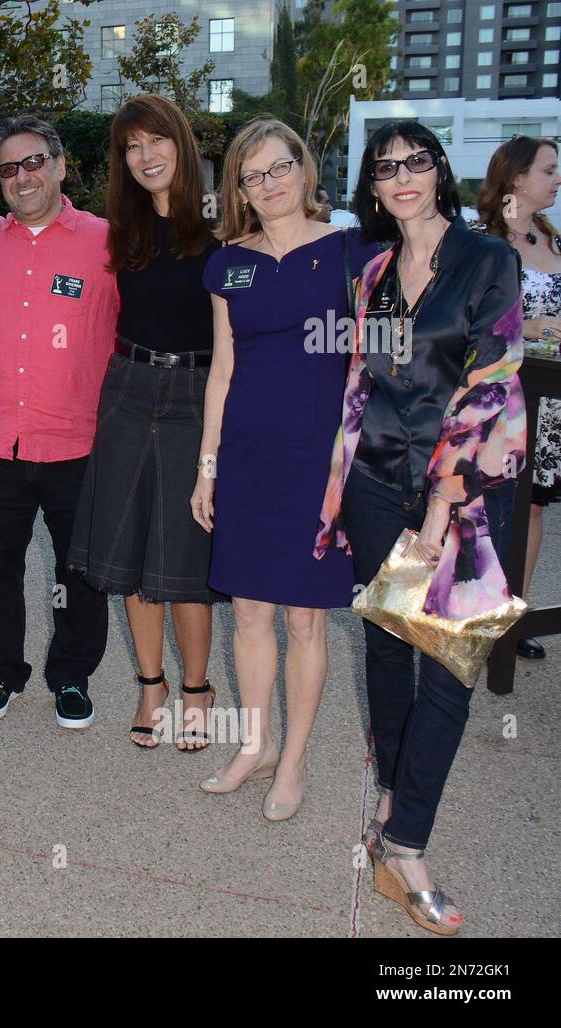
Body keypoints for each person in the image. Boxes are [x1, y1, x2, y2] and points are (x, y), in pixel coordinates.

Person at [318, 121, 525, 935]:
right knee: (388, 644)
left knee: (448, 665)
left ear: (441, 173)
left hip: (464, 497)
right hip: (374, 482)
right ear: (372, 187)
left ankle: (403, 849)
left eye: (418, 162)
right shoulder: (363, 264)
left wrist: (442, 503)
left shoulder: (488, 261)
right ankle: (394, 795)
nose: (403, 177)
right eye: (387, 167)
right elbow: (363, 374)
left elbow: (491, 382)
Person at [192, 119, 371, 819]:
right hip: (247, 458)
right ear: (237, 188)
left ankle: (292, 762)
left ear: (304, 169)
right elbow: (222, 372)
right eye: (251, 176)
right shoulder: (227, 263)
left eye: (278, 169)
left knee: (305, 619)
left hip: (320, 464)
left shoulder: (353, 251)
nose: (267, 185)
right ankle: (256, 744)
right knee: (249, 611)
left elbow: (379, 358)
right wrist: (207, 468)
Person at [68, 94, 220, 751]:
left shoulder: (223, 225)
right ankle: (151, 684)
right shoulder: (120, 230)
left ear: (180, 145)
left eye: (156, 140)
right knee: (129, 553)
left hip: (196, 390)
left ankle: (196, 688)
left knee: (184, 554)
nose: (145, 155)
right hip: (128, 387)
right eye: (132, 147)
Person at [0, 115, 117, 729]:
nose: (22, 177)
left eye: (33, 163)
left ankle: (72, 676)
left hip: (78, 444)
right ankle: (2, 668)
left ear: (59, 164)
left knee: (78, 572)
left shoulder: (108, 241)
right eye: (8, 168)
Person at [477, 135, 561, 661]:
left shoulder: (553, 242)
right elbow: (473, 318)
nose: (557, 179)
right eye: (549, 170)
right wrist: (536, 324)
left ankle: (513, 613)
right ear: (516, 179)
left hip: (550, 402)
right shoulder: (484, 242)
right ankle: (472, 613)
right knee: (488, 504)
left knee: (533, 506)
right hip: (501, 395)